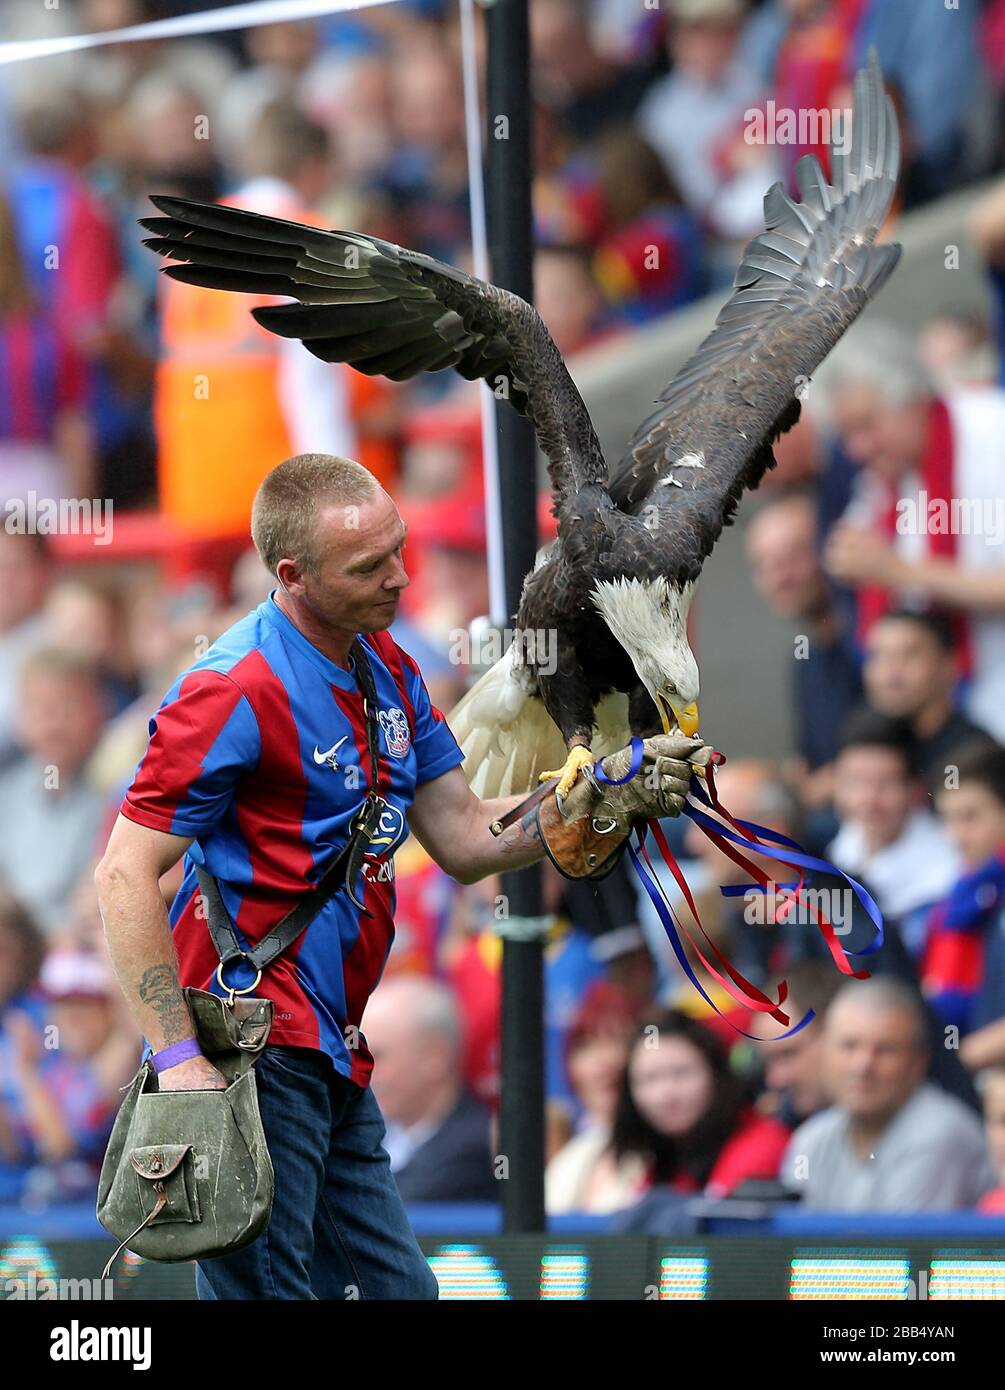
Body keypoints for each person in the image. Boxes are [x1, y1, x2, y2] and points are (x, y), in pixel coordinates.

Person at [94, 451, 708, 1300]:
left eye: (399, 548)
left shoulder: (386, 666)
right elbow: (125, 874)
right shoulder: (230, 689)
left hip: (336, 1053)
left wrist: (606, 790)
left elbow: (464, 836)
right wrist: (176, 1057)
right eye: (369, 565)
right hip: (251, 1052)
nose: (400, 576)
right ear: (292, 576)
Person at [817, 321, 1005, 742]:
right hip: (957, 725)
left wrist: (899, 571)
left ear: (910, 397)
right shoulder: (881, 483)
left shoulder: (993, 431)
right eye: (846, 435)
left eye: (867, 425)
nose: (858, 449)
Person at [781, 977, 994, 1211]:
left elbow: (903, 1246)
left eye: (885, 1050)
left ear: (918, 1061)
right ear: (825, 1052)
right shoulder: (812, 1138)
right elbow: (787, 1242)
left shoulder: (941, 1134)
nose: (862, 1066)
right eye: (849, 1046)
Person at [745, 490, 862, 795]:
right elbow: (807, 766)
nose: (778, 579)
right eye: (764, 565)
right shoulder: (805, 662)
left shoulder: (873, 648)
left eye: (790, 559)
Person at [0, 648, 108, 934]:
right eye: (40, 708)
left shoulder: (116, 787)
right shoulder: (8, 794)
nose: (53, 723)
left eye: (67, 707)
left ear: (98, 709)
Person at [363, 975, 497, 1204]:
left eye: (378, 1056)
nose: (364, 1072)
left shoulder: (474, 1152)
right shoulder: (363, 1134)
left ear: (435, 1058)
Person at [827, 708, 960, 933]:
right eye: (854, 781)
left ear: (916, 789)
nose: (867, 799)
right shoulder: (845, 840)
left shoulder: (947, 873)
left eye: (885, 783)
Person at [923, 741, 1005, 1063]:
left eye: (970, 817)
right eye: (948, 819)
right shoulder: (957, 898)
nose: (956, 836)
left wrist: (957, 1063)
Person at [862, 610, 988, 782]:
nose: (891, 673)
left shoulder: (975, 756)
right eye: (878, 656)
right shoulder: (862, 741)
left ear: (950, 665)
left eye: (909, 655)